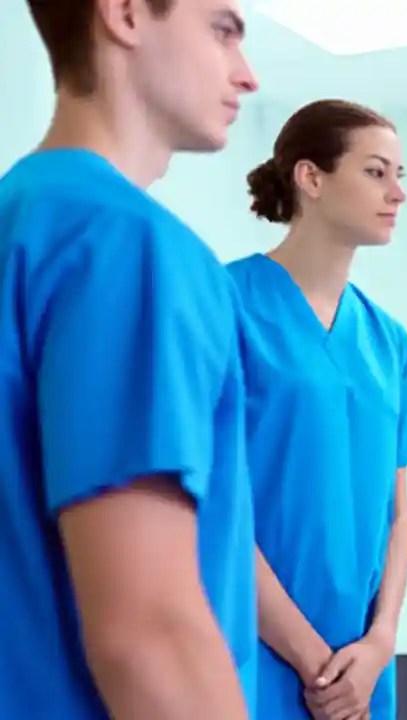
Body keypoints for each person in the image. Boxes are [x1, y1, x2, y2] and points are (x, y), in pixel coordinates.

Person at [0, 1, 259, 717]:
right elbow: (149, 633)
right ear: (124, 14)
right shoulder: (128, 245)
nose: (247, 75)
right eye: (223, 30)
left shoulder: (22, 220)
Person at [230, 99, 407, 720]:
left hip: (363, 669)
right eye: (377, 172)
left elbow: (396, 515)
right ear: (311, 178)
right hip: (255, 653)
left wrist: (380, 644)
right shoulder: (222, 305)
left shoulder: (388, 339)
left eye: (401, 176)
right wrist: (313, 663)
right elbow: (209, 510)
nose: (397, 193)